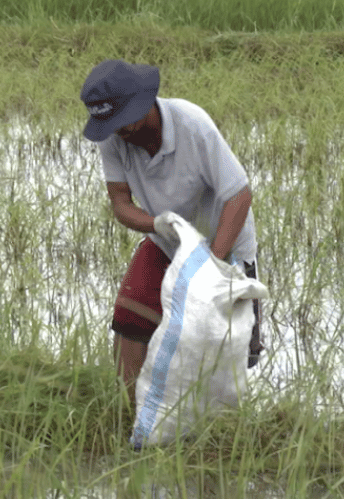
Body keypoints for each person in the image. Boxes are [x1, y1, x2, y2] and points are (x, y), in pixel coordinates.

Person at [80, 59, 263, 411]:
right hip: (168, 241)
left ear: (144, 103)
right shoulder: (114, 136)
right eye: (110, 124)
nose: (118, 131)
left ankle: (223, 428)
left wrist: (209, 265)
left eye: (122, 121)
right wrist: (156, 225)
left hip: (223, 243)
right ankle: (133, 415)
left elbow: (239, 196)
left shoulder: (192, 125)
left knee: (227, 344)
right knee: (130, 318)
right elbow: (120, 202)